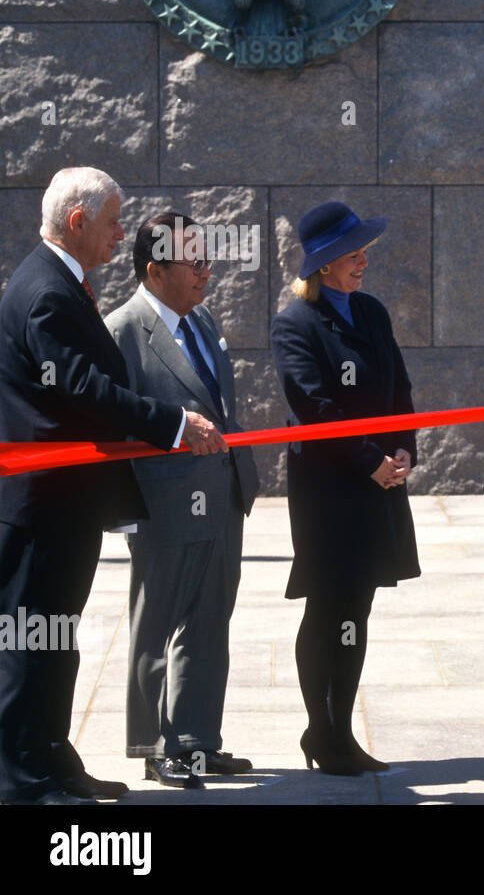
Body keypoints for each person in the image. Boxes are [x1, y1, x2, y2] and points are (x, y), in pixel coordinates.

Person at [0, 168, 225, 805]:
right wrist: (173, 423)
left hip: (64, 503)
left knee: (57, 640)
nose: (121, 235)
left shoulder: (60, 283)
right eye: (113, 223)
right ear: (78, 223)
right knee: (29, 642)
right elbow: (84, 388)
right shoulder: (46, 291)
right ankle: (20, 778)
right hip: (41, 503)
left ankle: (51, 755)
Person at [104, 212, 260, 789]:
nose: (206, 270)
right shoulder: (122, 329)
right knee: (158, 624)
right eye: (193, 260)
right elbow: (117, 418)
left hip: (223, 493)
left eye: (206, 257)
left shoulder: (203, 321)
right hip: (165, 501)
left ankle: (195, 740)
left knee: (208, 622)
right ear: (154, 270)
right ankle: (151, 745)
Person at [270, 200, 419, 775]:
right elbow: (314, 407)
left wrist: (404, 448)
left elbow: (399, 388)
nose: (363, 261)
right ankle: (322, 730)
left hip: (380, 482)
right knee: (329, 603)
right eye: (352, 252)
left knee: (360, 603)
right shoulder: (295, 323)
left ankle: (341, 732)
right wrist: (371, 461)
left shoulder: (372, 312)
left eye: (363, 251)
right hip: (332, 489)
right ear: (325, 263)